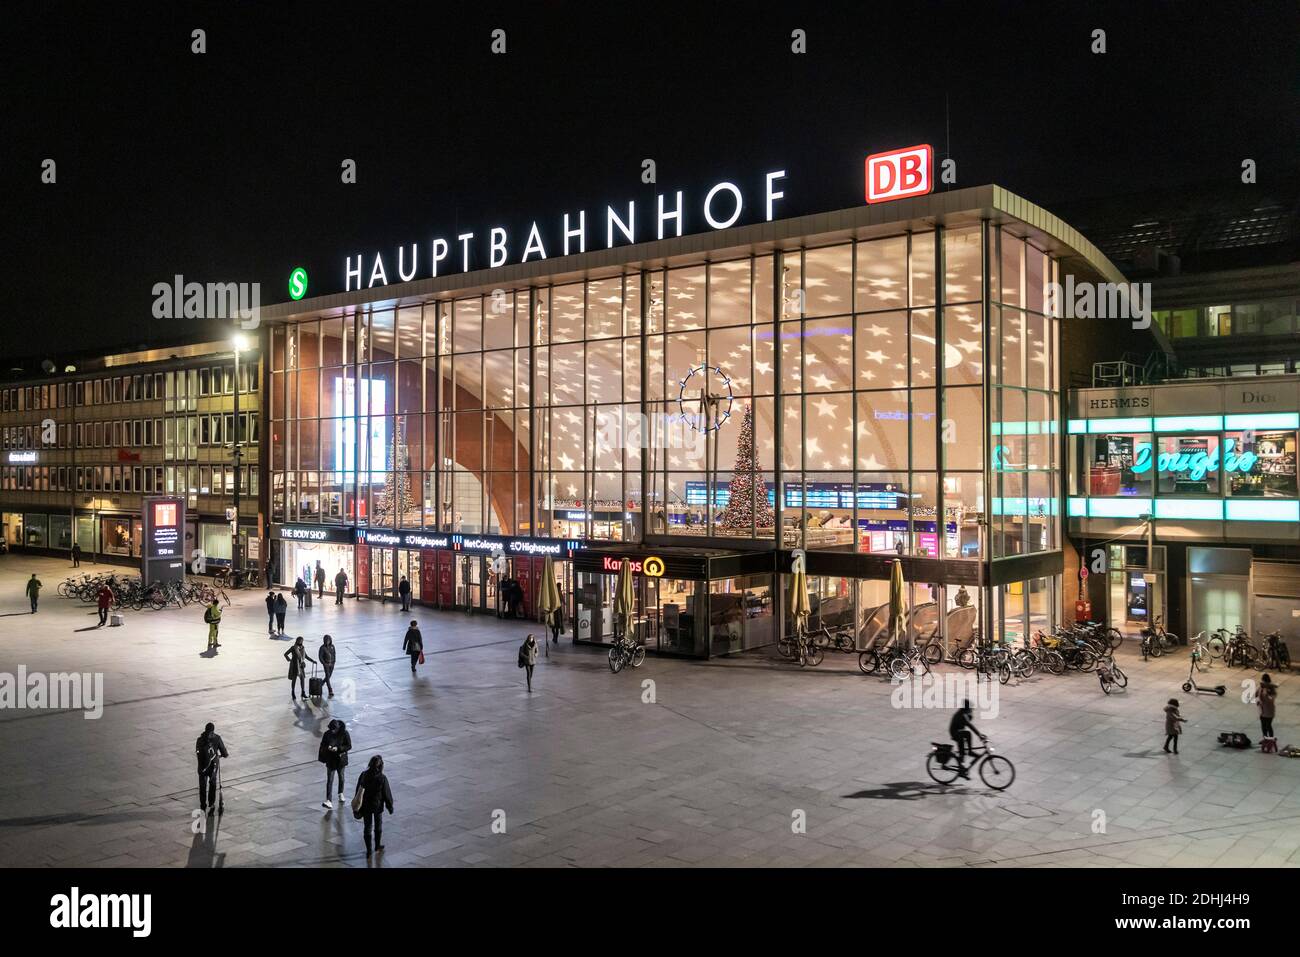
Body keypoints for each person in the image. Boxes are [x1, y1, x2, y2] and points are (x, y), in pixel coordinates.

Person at [354, 755, 394, 857]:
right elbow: (386, 793)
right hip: (377, 805)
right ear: (381, 766)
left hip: (366, 806)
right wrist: (389, 806)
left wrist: (357, 805)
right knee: (378, 826)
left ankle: (368, 850)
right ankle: (377, 845)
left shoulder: (363, 775)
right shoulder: (382, 778)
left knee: (367, 827)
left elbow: (358, 791)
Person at [195, 722, 228, 815]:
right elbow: (224, 752)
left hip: (202, 767)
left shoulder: (199, 740)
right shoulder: (217, 738)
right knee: (212, 784)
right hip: (213, 766)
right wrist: (223, 755)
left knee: (202, 785)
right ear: (213, 730)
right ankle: (211, 803)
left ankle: (202, 804)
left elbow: (197, 752)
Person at [319, 719, 352, 809]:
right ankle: (328, 800)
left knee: (341, 777)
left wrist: (338, 749)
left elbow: (349, 746)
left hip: (341, 760)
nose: (332, 731)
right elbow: (323, 744)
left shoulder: (344, 733)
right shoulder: (327, 734)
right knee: (330, 780)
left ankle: (340, 793)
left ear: (338, 728)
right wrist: (328, 748)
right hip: (331, 760)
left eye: (334, 729)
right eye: (331, 729)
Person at [948, 700, 983, 777]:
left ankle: (961, 769)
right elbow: (970, 726)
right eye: (969, 708)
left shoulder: (963, 713)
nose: (970, 709)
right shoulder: (962, 715)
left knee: (962, 753)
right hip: (955, 733)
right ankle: (970, 752)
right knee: (968, 734)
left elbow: (969, 721)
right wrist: (979, 735)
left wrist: (970, 715)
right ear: (966, 708)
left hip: (958, 732)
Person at [284, 636, 316, 700]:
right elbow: (285, 654)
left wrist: (312, 660)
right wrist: (289, 659)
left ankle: (303, 692)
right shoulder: (293, 648)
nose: (301, 642)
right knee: (294, 679)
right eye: (300, 640)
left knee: (302, 679)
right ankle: (293, 692)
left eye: (302, 640)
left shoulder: (302, 648)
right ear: (297, 641)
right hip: (295, 665)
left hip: (301, 666)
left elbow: (305, 656)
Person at [1258, 674, 1277, 740]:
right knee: (1263, 725)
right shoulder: (1261, 687)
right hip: (1262, 710)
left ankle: (1271, 739)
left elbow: (1271, 699)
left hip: (1269, 711)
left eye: (1263, 681)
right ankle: (1265, 738)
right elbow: (1257, 694)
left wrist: (1266, 693)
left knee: (1268, 725)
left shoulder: (1272, 690)